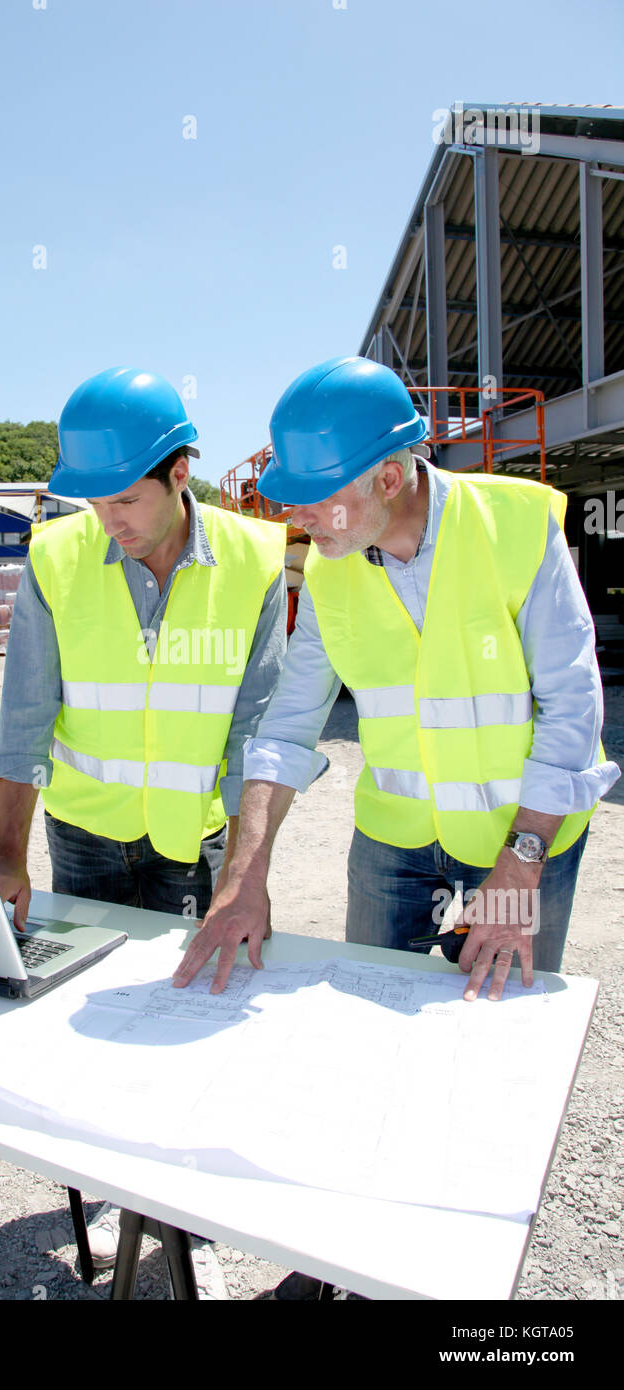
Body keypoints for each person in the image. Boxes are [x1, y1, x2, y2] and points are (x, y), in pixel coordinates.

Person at [174, 355, 620, 1006]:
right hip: (395, 847)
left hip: (524, 836)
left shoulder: (518, 529)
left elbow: (574, 709)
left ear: (388, 478)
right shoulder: (330, 572)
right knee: (373, 1024)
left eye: (318, 501)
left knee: (499, 1026)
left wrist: (521, 862)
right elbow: (287, 725)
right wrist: (245, 870)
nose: (300, 519)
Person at [0, 366, 287, 1291]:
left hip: (189, 840)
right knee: (91, 1022)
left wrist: (246, 874)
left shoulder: (259, 562)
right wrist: (6, 851)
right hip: (83, 832)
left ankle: (184, 1207)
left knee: (188, 1015)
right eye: (94, 499)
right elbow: (24, 719)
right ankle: (112, 1192)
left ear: (180, 472)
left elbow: (255, 737)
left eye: (125, 498)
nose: (108, 519)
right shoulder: (55, 557)